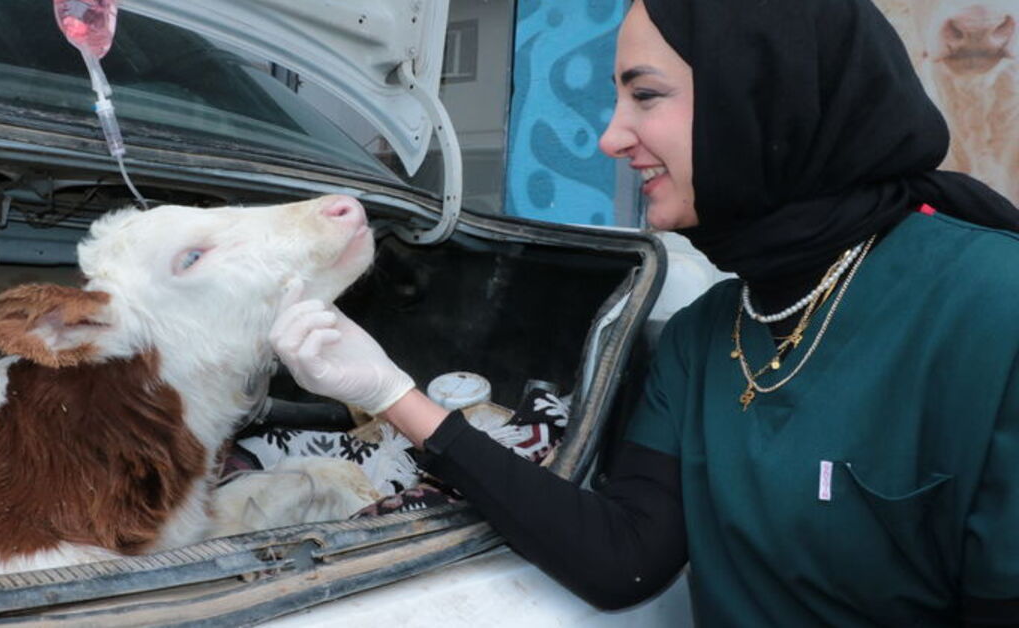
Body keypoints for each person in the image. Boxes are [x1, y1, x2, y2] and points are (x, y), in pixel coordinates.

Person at [269, 0, 1019, 624]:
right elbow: (624, 561)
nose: (609, 136)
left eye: (646, 95)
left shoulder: (991, 304)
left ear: (763, 92)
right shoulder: (708, 331)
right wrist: (390, 394)